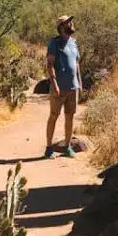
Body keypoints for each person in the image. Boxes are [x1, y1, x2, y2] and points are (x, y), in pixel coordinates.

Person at [45, 14, 82, 158]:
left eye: (71, 22)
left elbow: (76, 63)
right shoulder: (55, 43)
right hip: (59, 87)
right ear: (61, 27)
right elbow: (49, 64)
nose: (72, 24)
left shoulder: (73, 42)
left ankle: (67, 146)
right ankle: (49, 148)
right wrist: (54, 84)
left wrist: (79, 83)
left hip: (72, 87)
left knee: (70, 116)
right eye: (68, 23)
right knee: (54, 115)